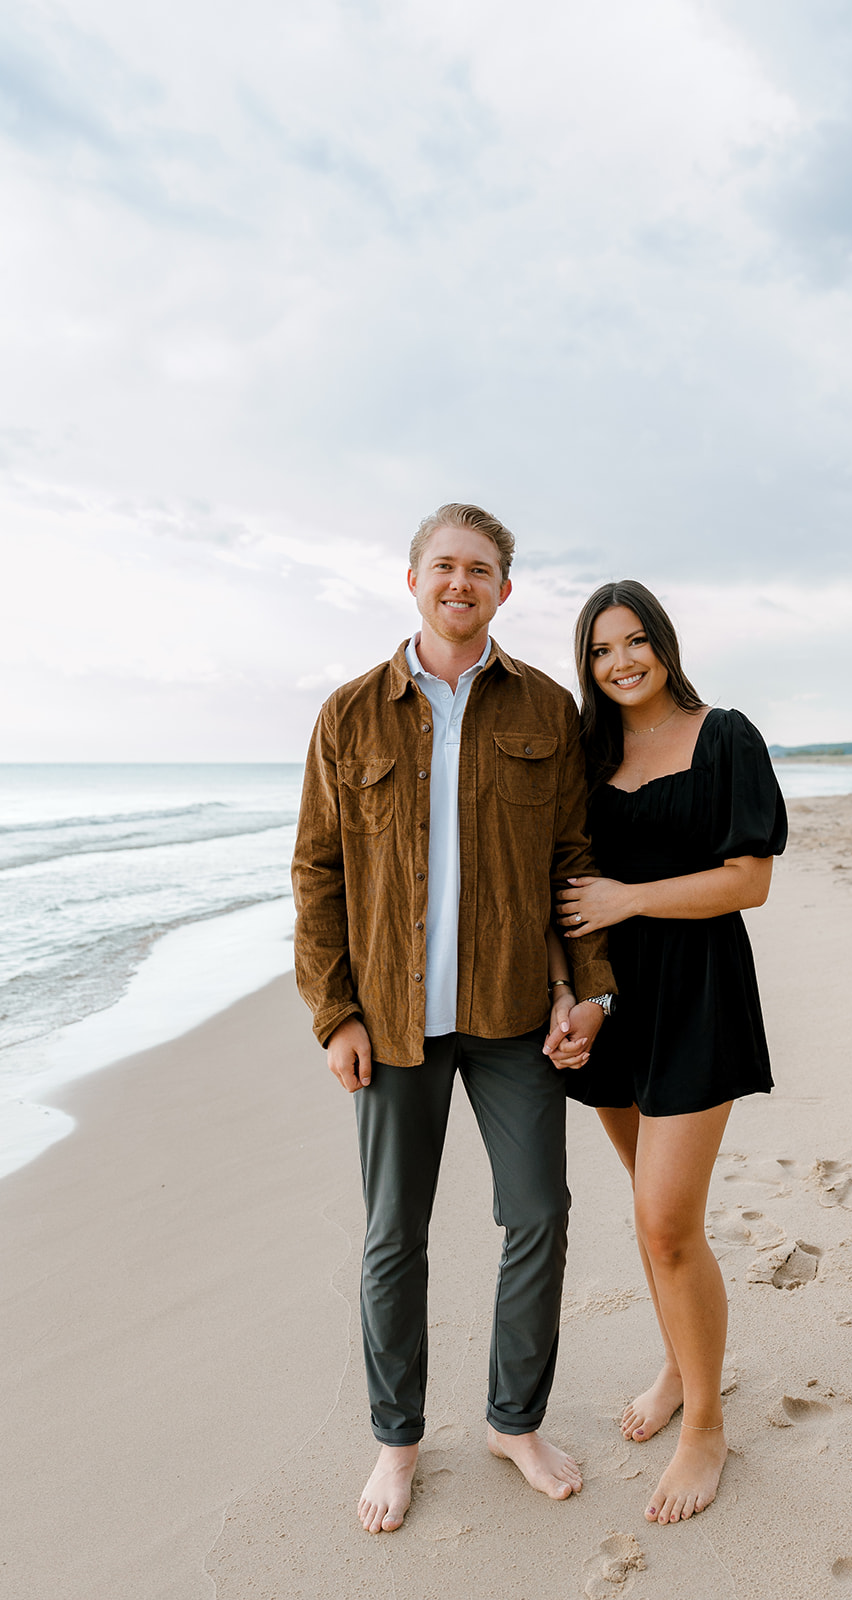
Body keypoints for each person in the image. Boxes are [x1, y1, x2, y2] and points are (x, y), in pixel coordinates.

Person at [291, 504, 616, 1534]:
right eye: (444, 565)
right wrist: (333, 1013)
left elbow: (572, 860)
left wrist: (589, 988)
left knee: (539, 1213)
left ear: (503, 590)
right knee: (395, 1235)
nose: (459, 582)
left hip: (515, 1013)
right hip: (389, 1024)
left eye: (479, 569)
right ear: (413, 579)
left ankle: (514, 1423)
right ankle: (397, 1442)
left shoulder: (546, 708)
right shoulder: (349, 714)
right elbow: (316, 873)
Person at [546, 579, 787, 1526]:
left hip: (697, 996)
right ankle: (679, 1368)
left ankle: (706, 1429)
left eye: (635, 640)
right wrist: (574, 996)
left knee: (666, 1223)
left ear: (663, 644)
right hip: (615, 1000)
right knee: (653, 1219)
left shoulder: (723, 736)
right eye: (601, 649)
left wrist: (629, 898)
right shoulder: (585, 754)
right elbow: (561, 883)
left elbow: (748, 882)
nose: (621, 662)